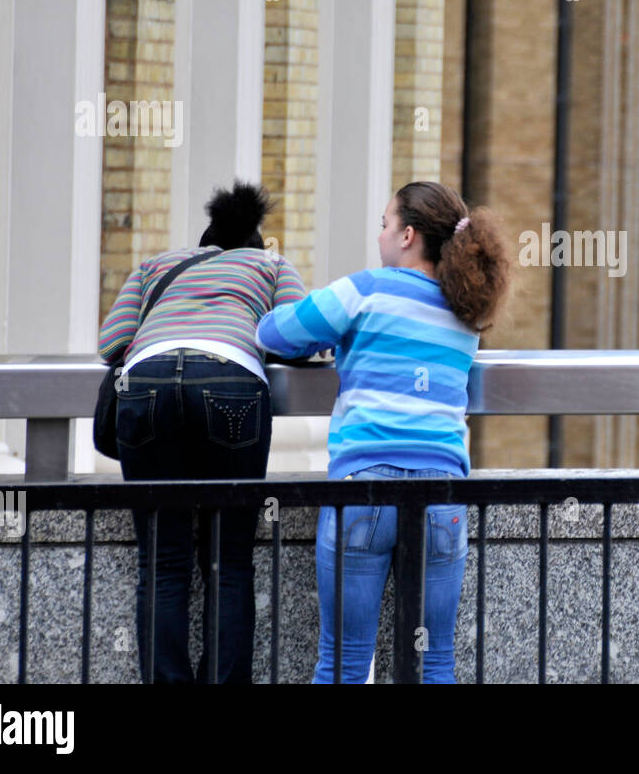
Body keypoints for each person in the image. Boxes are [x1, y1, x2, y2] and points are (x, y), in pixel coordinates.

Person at [256, 181, 511, 683]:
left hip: (364, 489)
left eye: (384, 224)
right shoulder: (467, 315)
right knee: (436, 661)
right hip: (443, 494)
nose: (379, 237)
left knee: (344, 663)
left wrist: (333, 342)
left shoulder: (367, 289)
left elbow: (275, 331)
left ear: (408, 236)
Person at [98, 180, 307, 683]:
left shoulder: (156, 265)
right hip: (229, 379)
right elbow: (299, 336)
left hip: (145, 382)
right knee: (228, 558)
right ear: (255, 242)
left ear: (203, 241)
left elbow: (111, 343)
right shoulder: (270, 265)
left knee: (162, 560)